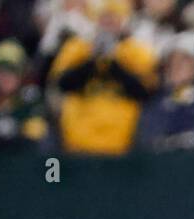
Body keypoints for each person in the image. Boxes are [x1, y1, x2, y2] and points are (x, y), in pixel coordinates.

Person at [48, 0, 157, 155]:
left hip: (120, 146)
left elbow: (145, 92)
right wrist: (92, 61)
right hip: (78, 144)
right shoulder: (77, 47)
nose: (108, 23)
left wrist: (114, 64)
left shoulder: (137, 51)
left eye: (113, 18)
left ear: (123, 20)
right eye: (104, 17)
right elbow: (62, 84)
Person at [138, 33, 194, 150]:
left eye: (183, 62)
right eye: (172, 62)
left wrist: (181, 142)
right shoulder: (156, 102)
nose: (176, 66)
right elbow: (147, 139)